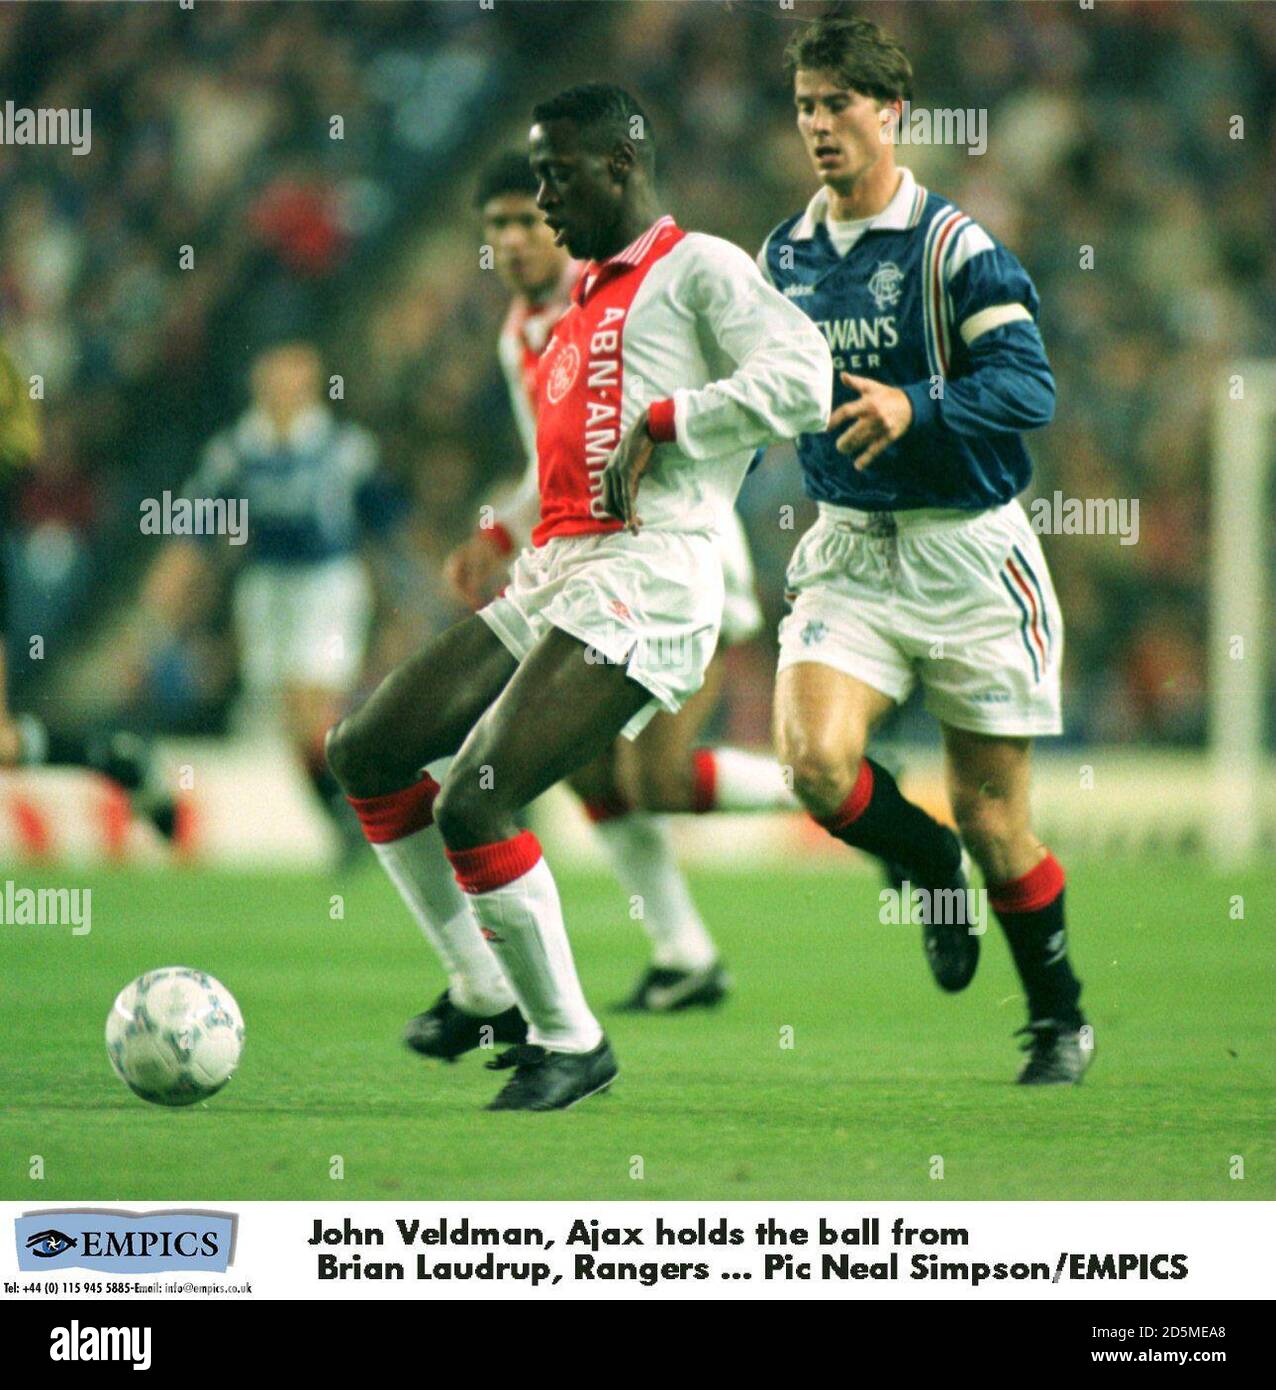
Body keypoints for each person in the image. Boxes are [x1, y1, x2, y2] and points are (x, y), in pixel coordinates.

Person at [325, 83, 832, 1111]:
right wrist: (503, 532)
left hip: (650, 581)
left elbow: (804, 379)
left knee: (480, 794)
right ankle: (482, 984)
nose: (542, 197)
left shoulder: (699, 267)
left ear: (616, 167)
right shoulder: (579, 305)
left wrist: (669, 419)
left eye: (555, 174)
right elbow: (567, 463)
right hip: (558, 575)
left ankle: (571, 1039)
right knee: (367, 748)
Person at [760, 17, 1089, 1083]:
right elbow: (758, 394)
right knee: (815, 763)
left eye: (838, 104)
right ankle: (924, 861)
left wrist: (918, 406)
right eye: (806, 104)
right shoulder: (784, 256)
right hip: (850, 551)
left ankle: (1055, 1017)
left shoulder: (953, 247)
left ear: (891, 113)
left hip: (966, 559)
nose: (818, 124)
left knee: (1000, 822)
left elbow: (1029, 388)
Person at [404, 153, 796, 1037]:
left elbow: (739, 397)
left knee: (650, 776)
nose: (509, 241)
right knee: (586, 767)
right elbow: (557, 466)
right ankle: (683, 952)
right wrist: (500, 537)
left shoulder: (623, 290)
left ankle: (829, 785)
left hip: (678, 561)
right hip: (591, 570)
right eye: (494, 226)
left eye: (525, 220)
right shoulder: (520, 334)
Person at [139, 342, 403, 855]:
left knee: (312, 703)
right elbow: (196, 526)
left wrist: (404, 596)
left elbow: (386, 524)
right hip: (266, 587)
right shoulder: (236, 451)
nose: (284, 387)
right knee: (290, 717)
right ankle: (345, 814)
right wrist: (166, 587)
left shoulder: (344, 449)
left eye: (295, 376)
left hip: (327, 582)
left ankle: (369, 805)